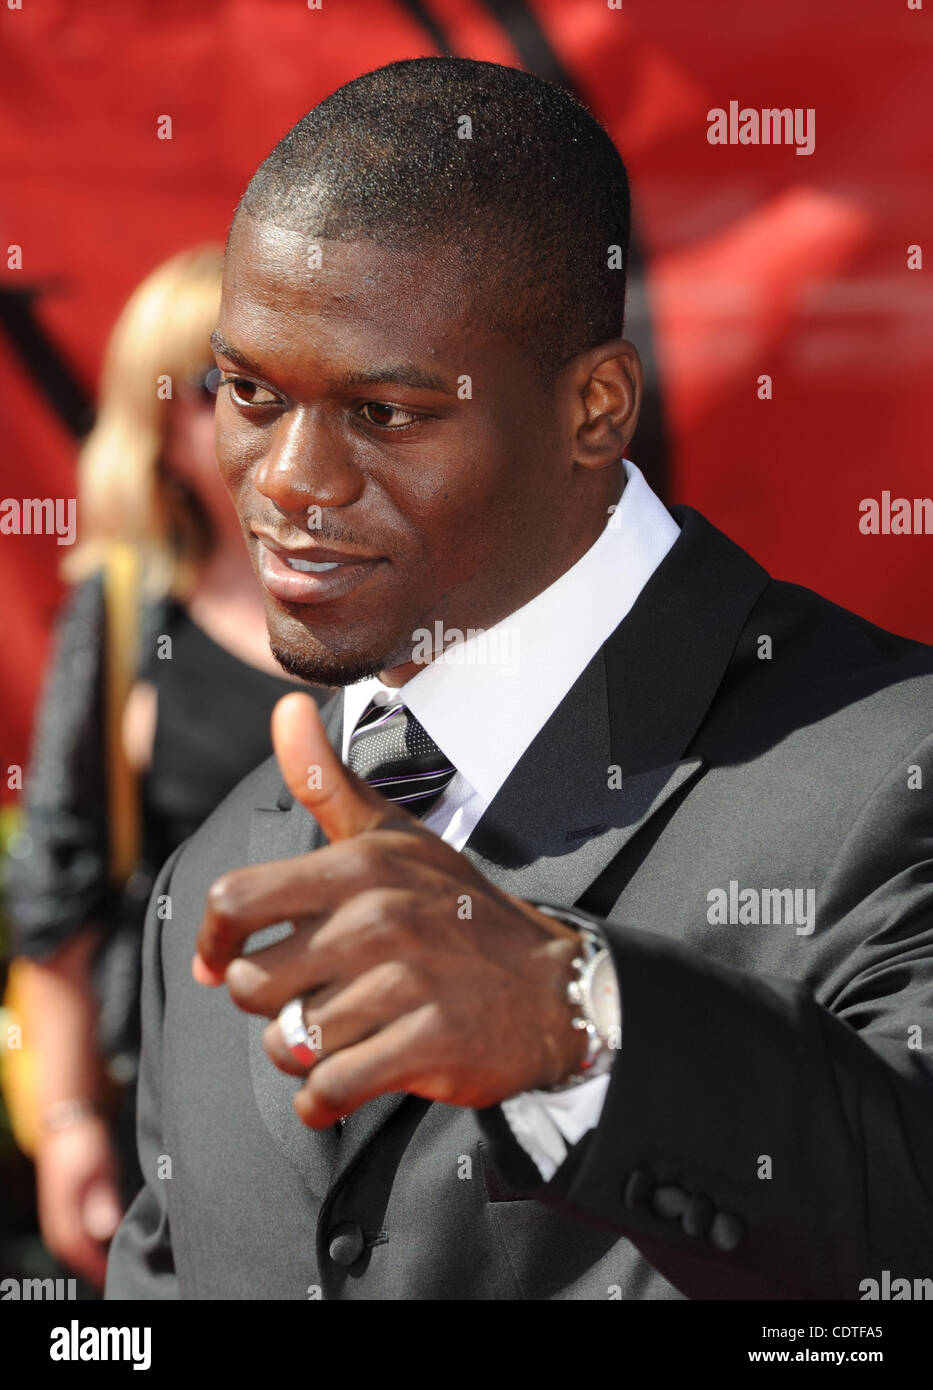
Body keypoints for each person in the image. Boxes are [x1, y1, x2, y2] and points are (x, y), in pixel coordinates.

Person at [105, 58, 933, 1301]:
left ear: (596, 407)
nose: (287, 480)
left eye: (385, 413)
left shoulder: (891, 772)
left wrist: (573, 1022)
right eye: (253, 392)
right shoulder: (217, 874)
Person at [6, 247, 328, 1290]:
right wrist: (66, 1125)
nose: (273, 421)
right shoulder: (126, 610)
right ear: (159, 422)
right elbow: (59, 890)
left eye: (304, 380)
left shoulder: (415, 594)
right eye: (231, 385)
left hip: (384, 1104)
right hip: (176, 1116)